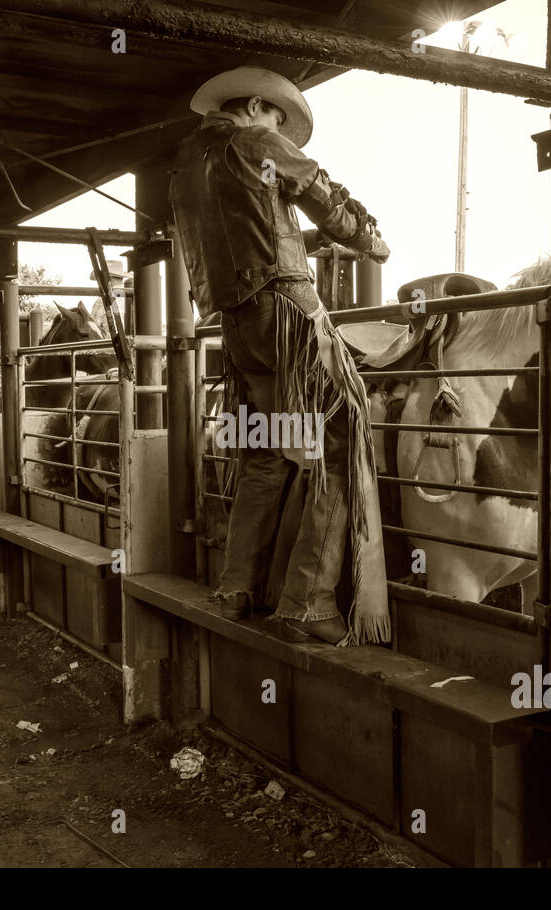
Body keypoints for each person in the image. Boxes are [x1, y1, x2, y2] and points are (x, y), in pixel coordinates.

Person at [169, 67, 391, 646]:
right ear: (256, 107)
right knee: (342, 433)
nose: (283, 132)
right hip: (286, 312)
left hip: (237, 324)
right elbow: (321, 193)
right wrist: (367, 236)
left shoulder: (189, 164)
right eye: (278, 118)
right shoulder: (255, 143)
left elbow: (245, 229)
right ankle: (307, 603)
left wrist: (302, 240)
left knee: (266, 453)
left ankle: (236, 588)